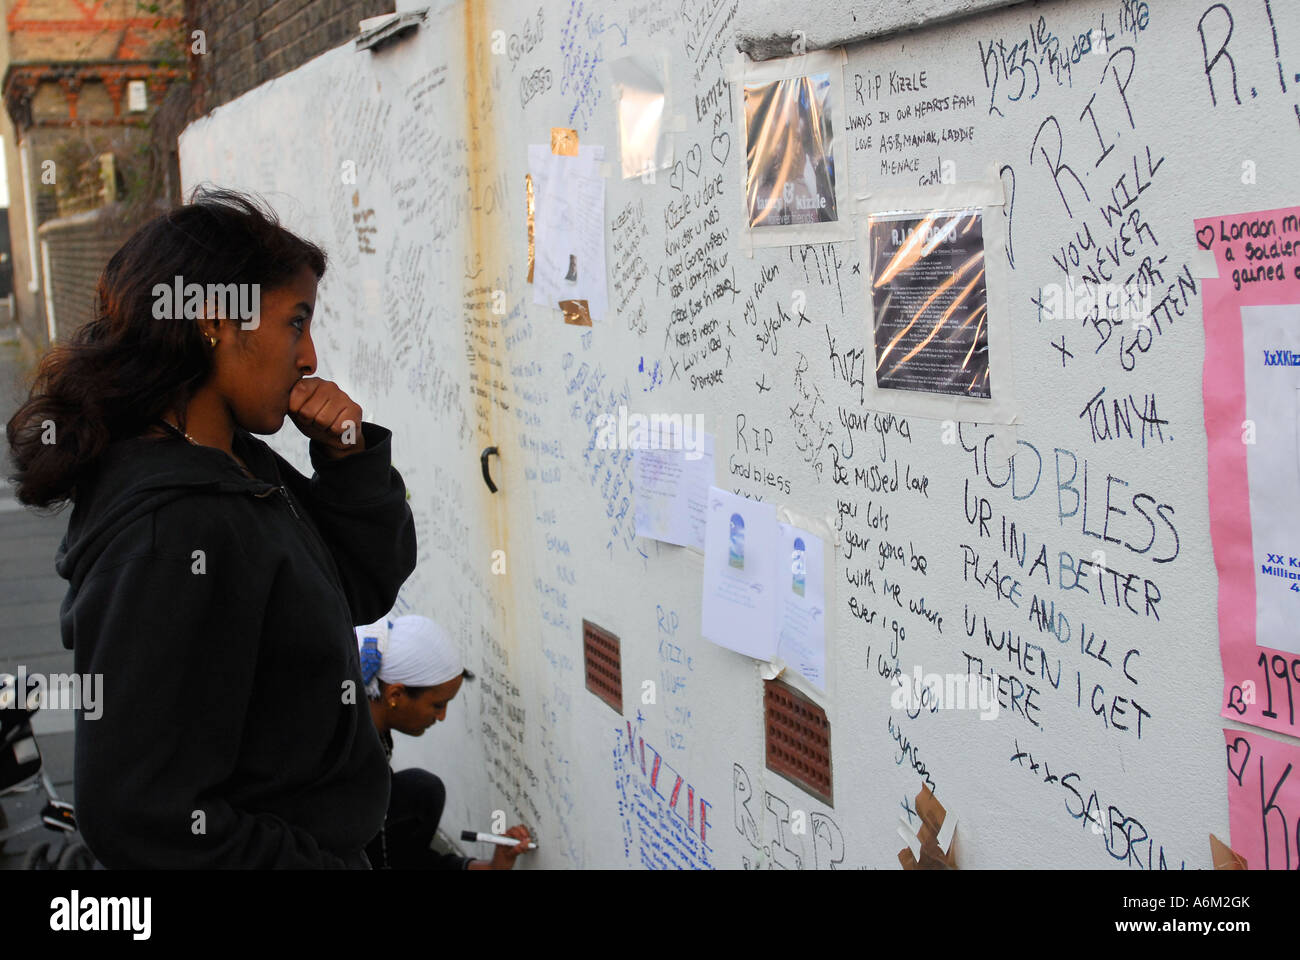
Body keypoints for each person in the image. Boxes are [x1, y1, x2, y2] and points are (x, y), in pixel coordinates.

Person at [4, 187, 417, 868]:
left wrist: (349, 463)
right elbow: (139, 815)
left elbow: (357, 585)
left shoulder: (231, 463)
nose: (309, 356)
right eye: (296, 323)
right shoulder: (173, 532)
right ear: (215, 324)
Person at [358, 615, 532, 870]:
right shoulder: (343, 759)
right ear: (396, 694)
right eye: (438, 705)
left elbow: (402, 855)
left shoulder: (373, 734)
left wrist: (491, 867)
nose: (441, 717)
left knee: (422, 791)